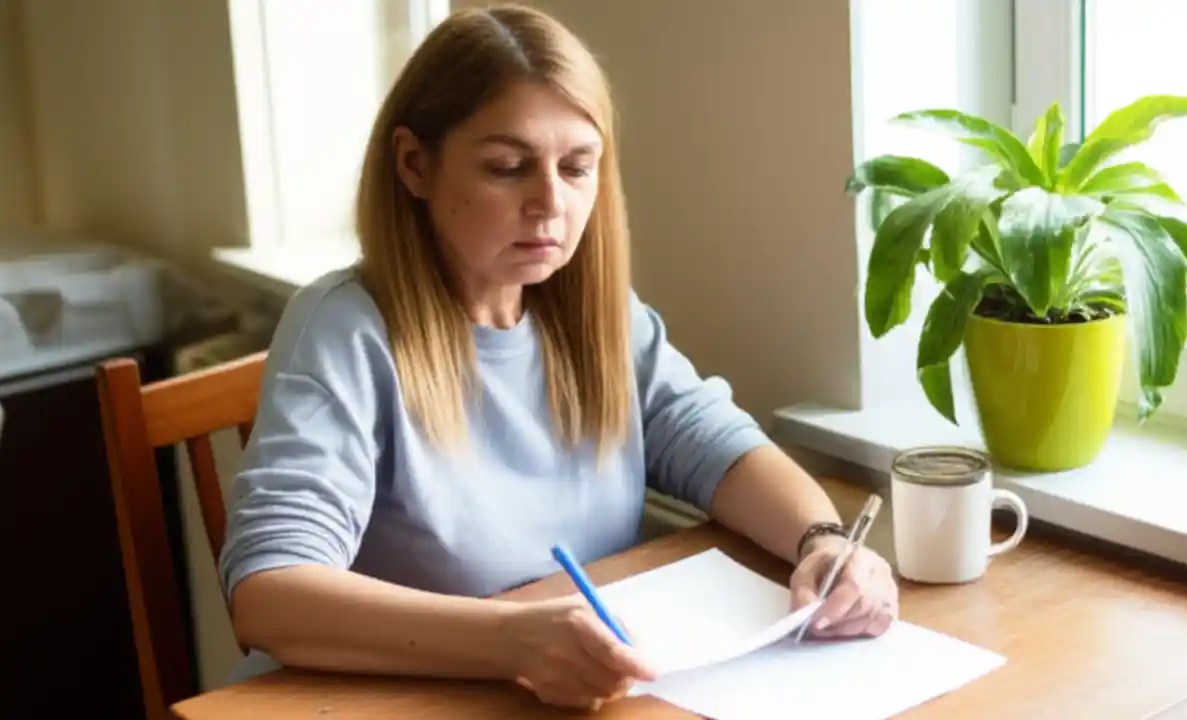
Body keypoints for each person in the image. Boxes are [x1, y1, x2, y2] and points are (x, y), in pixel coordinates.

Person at [220, 3, 898, 711]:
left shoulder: (585, 309)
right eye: (508, 167)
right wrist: (510, 641)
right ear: (415, 164)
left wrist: (823, 542)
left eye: (577, 167)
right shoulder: (344, 331)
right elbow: (269, 595)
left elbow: (718, 446)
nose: (550, 204)